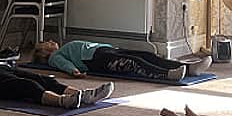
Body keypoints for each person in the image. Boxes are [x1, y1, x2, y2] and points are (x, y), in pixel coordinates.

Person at [32, 39, 208, 82]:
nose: (50, 41)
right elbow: (63, 64)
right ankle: (167, 74)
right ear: (44, 51)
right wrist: (73, 71)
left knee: (145, 55)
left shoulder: (62, 48)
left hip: (105, 50)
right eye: (46, 42)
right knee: (133, 62)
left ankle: (187, 68)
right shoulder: (55, 57)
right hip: (96, 59)